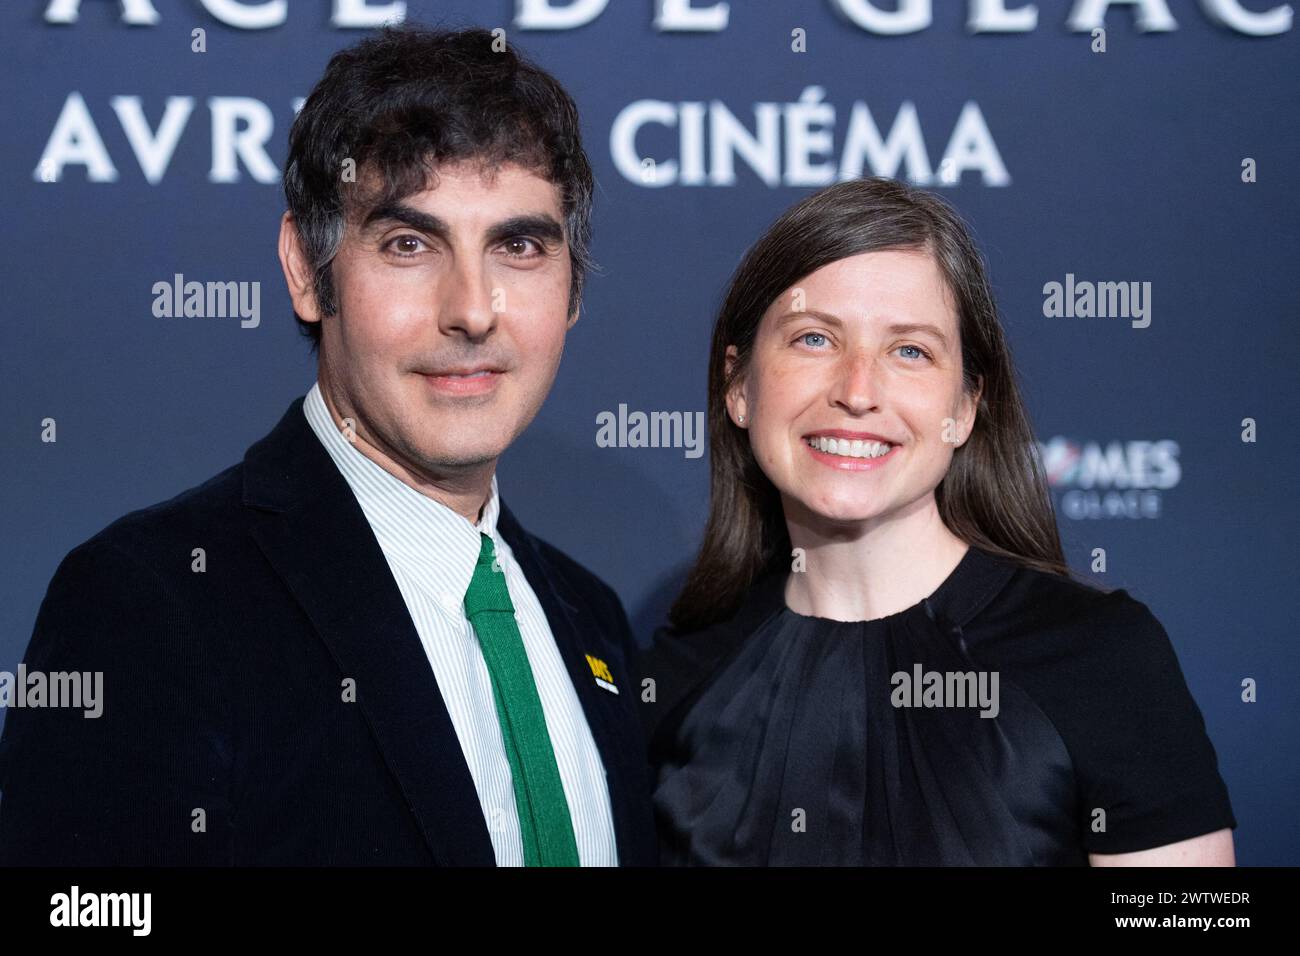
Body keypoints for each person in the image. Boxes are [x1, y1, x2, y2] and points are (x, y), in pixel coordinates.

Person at [0, 25, 655, 867]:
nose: (472, 310)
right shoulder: (152, 603)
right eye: (409, 245)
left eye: (518, 246)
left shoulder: (590, 616)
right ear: (307, 271)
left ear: (573, 289)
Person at [639, 176, 1236, 866]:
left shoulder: (1099, 658)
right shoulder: (675, 673)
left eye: (910, 351)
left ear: (966, 406)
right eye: (814, 338)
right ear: (739, 386)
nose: (857, 391)